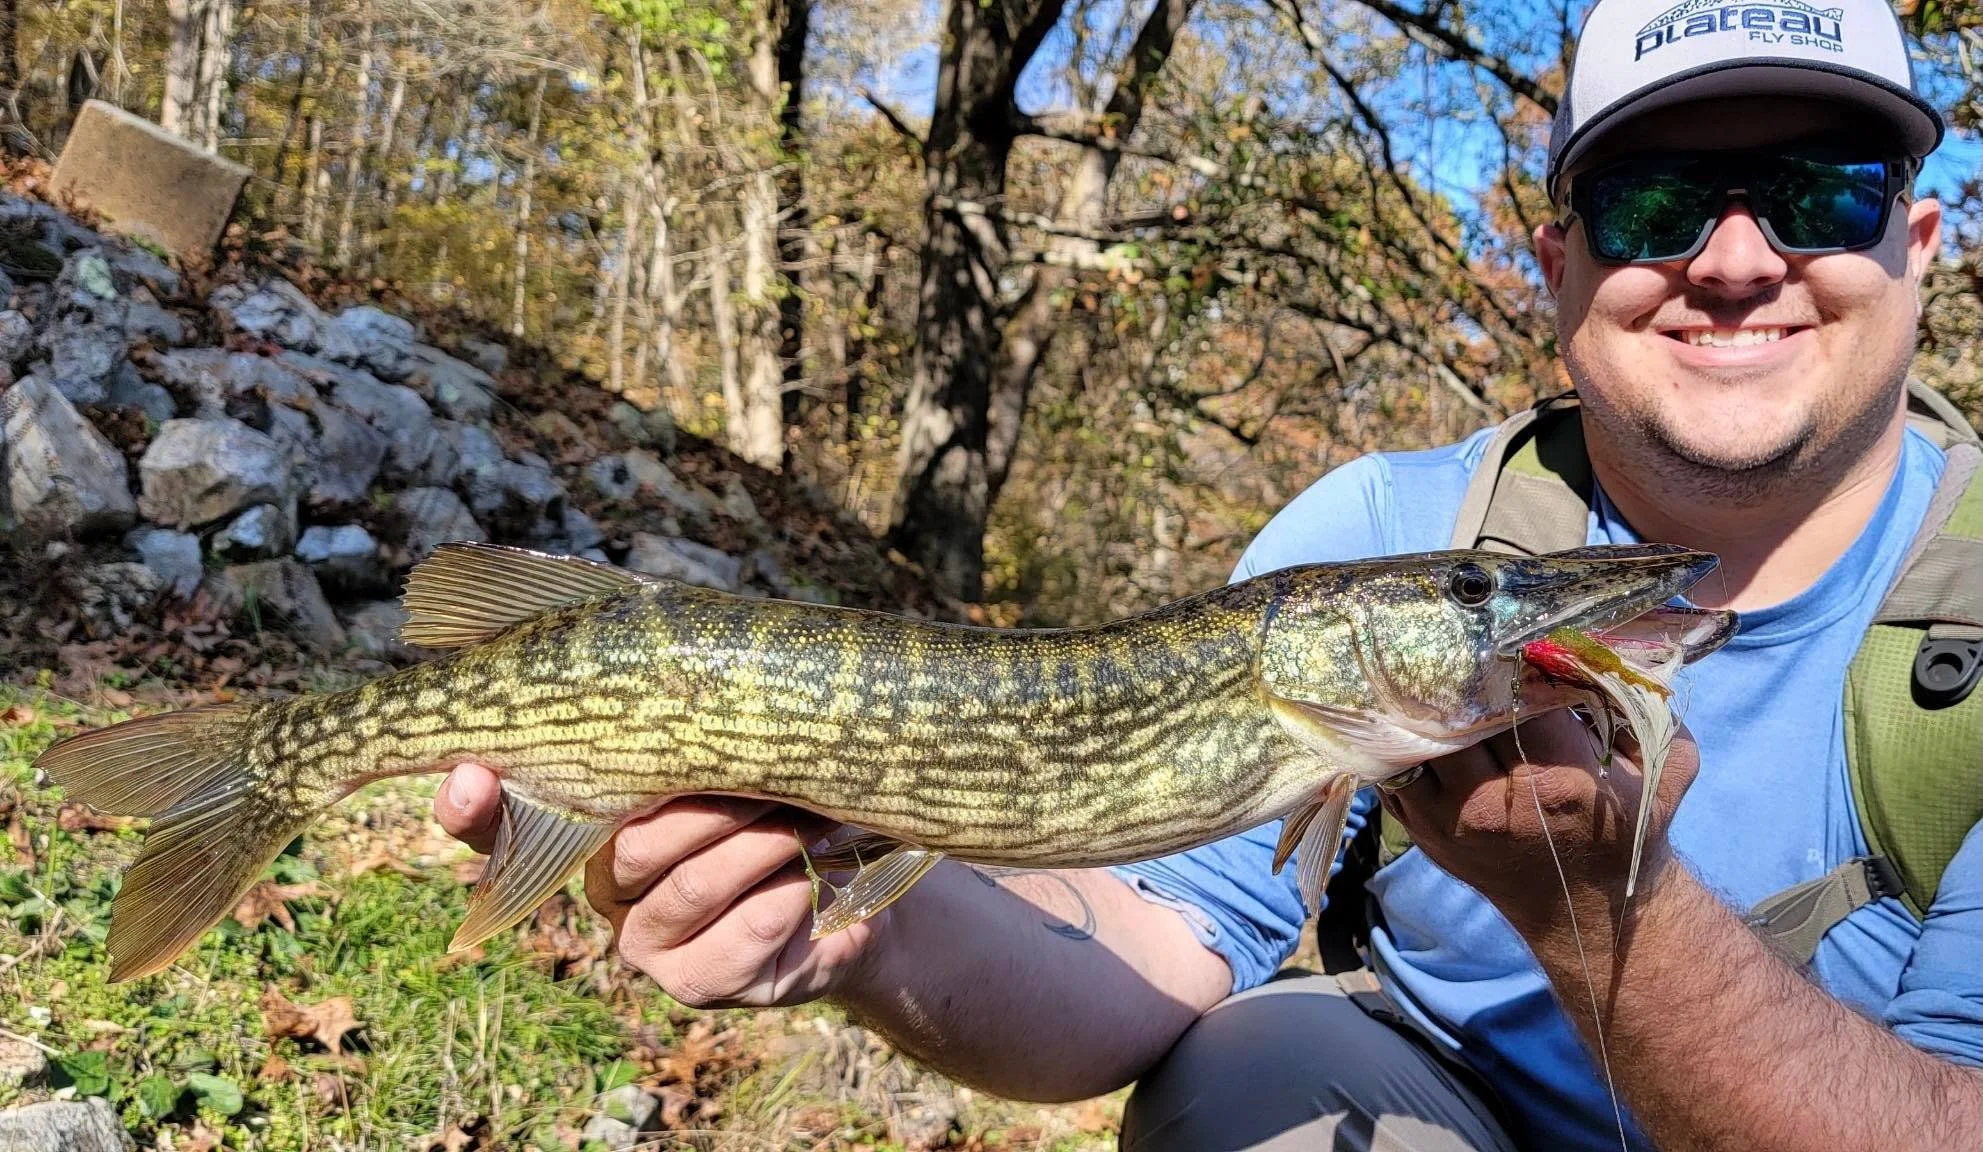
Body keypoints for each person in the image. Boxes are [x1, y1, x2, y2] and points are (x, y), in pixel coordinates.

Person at [435, 0, 1983, 1147]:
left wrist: (1604, 913)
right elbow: (1147, 962)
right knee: (1246, 1075)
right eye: (1654, 202)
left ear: (1916, 241)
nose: (1728, 261)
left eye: (1818, 194)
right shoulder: (1376, 524)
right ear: (1558, 262)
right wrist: (858, 930)